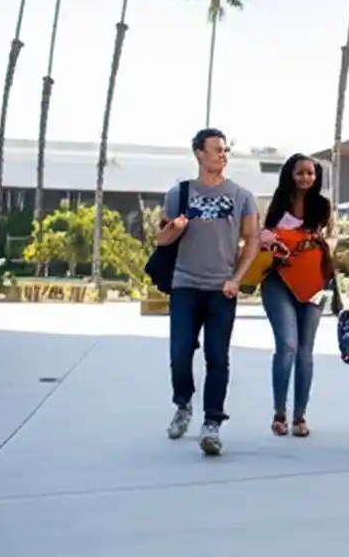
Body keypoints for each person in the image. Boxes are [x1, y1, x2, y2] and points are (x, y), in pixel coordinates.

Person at [157, 128, 260, 456]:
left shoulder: (241, 196)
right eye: (216, 149)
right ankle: (183, 405)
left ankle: (212, 423)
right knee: (179, 354)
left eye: (225, 150)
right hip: (185, 285)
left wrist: (237, 278)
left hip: (221, 290)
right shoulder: (180, 193)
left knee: (217, 357)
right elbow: (160, 240)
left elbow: (253, 240)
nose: (222, 154)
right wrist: (175, 228)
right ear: (199, 153)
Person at [260, 154, 335, 438]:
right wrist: (269, 239)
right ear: (289, 174)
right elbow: (264, 236)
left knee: (305, 351)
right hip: (278, 281)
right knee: (288, 345)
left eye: (311, 173)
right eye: (301, 172)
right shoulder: (278, 205)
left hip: (313, 283)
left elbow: (329, 239)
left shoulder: (322, 207)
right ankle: (280, 411)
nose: (306, 177)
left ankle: (300, 416)